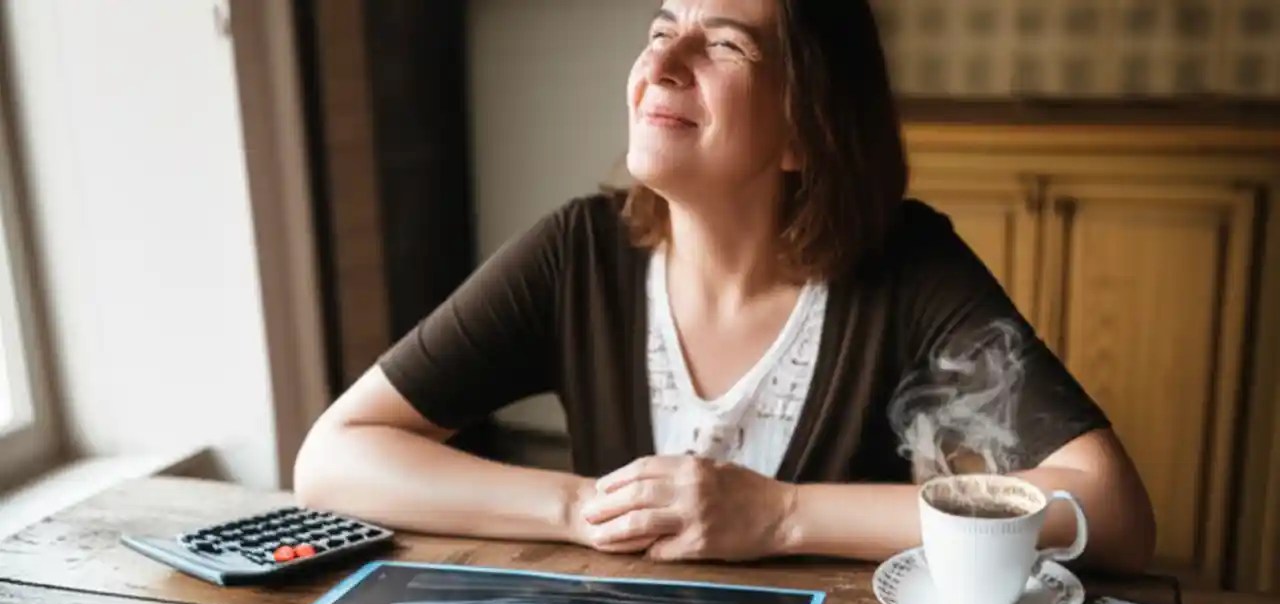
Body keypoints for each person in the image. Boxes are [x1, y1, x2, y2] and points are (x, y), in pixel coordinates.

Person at [294, 0, 1155, 572]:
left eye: (726, 44)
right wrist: (579, 507)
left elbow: (1111, 510)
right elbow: (333, 457)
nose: (663, 62)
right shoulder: (575, 254)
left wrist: (781, 517)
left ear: (806, 129)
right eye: (663, 25)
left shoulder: (909, 268)